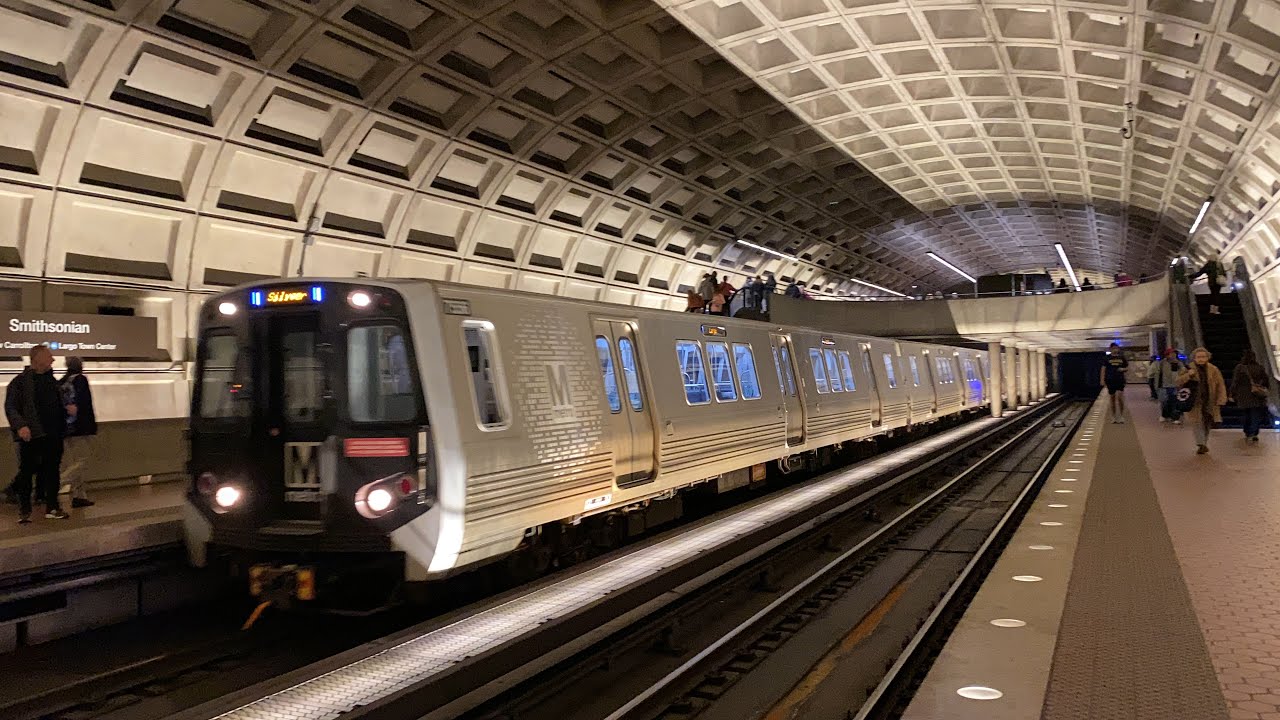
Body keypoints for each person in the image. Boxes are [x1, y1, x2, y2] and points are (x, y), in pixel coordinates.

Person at [5, 345, 73, 523]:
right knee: (27, 471)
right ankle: (25, 509)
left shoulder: (52, 382)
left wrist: (66, 412)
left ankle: (52, 506)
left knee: (52, 471)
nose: (52, 359)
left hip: (53, 434)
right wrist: (21, 426)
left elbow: (56, 406)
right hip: (32, 435)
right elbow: (11, 407)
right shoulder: (20, 383)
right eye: (49, 356)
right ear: (38, 359)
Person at [59, 357, 96, 507]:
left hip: (67, 428)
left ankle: (79, 495)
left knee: (75, 460)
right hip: (81, 427)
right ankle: (59, 482)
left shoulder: (62, 381)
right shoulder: (80, 380)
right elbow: (85, 404)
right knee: (83, 460)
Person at [1176, 347, 1228, 455]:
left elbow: (1220, 384)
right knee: (1197, 422)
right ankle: (1201, 443)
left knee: (1207, 421)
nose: (1201, 359)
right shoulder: (1189, 368)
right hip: (1194, 400)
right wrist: (1188, 375)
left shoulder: (1213, 369)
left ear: (1207, 357)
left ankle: (1204, 441)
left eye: (1203, 357)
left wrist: (1221, 398)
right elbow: (1178, 381)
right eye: (1198, 357)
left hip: (1209, 400)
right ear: (1194, 358)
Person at [1231, 349, 1269, 444]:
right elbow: (1266, 380)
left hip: (1243, 395)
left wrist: (1232, 393)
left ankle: (1248, 433)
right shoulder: (1259, 367)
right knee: (1255, 415)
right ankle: (1254, 433)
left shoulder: (1239, 367)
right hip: (1256, 395)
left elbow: (1235, 381)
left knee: (1246, 415)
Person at [1101, 342, 1128, 423]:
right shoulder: (1107, 358)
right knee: (1112, 398)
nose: (1115, 350)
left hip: (1120, 379)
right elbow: (1103, 369)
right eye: (1113, 348)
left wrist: (1123, 369)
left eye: (1117, 348)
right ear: (1111, 349)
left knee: (1120, 397)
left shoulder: (1122, 357)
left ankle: (1121, 416)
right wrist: (1102, 380)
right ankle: (1113, 416)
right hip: (1110, 380)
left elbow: (1127, 367)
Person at [1155, 347, 1184, 424]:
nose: (1173, 355)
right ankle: (1164, 415)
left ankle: (1175, 417)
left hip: (1175, 385)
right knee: (1164, 401)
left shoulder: (1178, 363)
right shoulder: (1162, 363)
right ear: (1167, 355)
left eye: (1174, 353)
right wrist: (1157, 386)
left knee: (1174, 401)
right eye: (1171, 353)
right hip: (1164, 385)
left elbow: (1183, 371)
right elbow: (1158, 374)